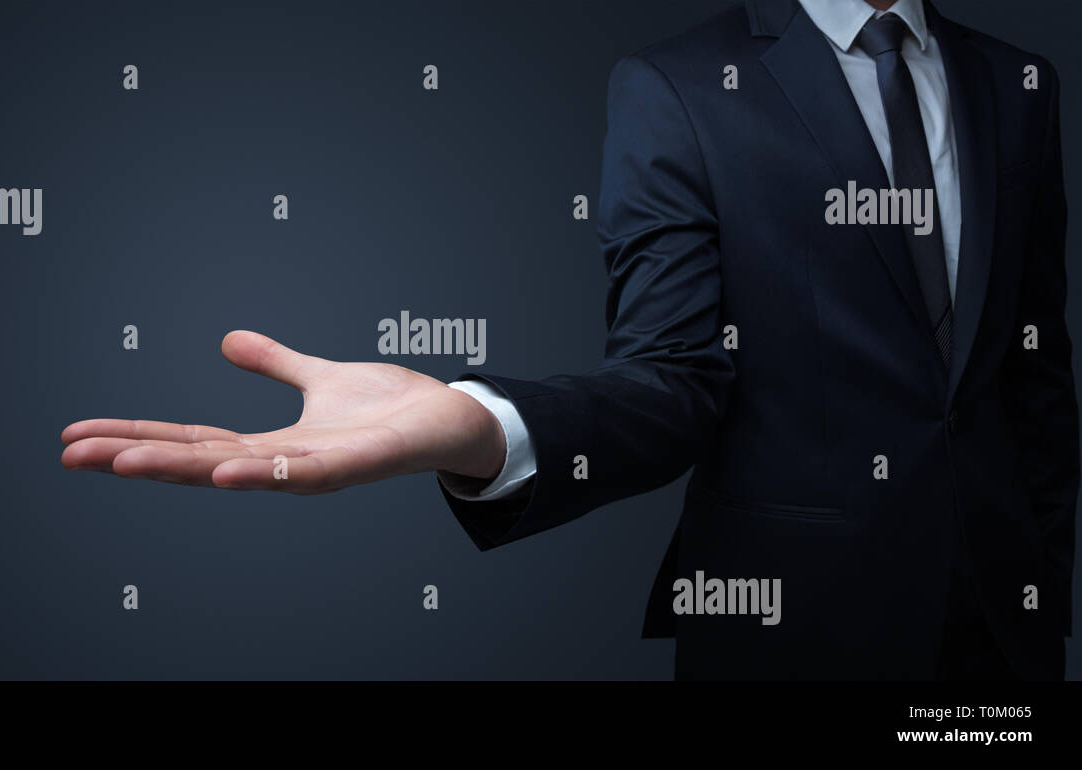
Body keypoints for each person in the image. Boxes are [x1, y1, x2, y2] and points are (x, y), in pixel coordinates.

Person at [61, 0, 1077, 679]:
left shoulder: (1015, 84)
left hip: (999, 636)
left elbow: (1033, 368)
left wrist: (1046, 589)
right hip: (793, 630)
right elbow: (673, 378)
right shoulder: (682, 85)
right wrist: (477, 422)